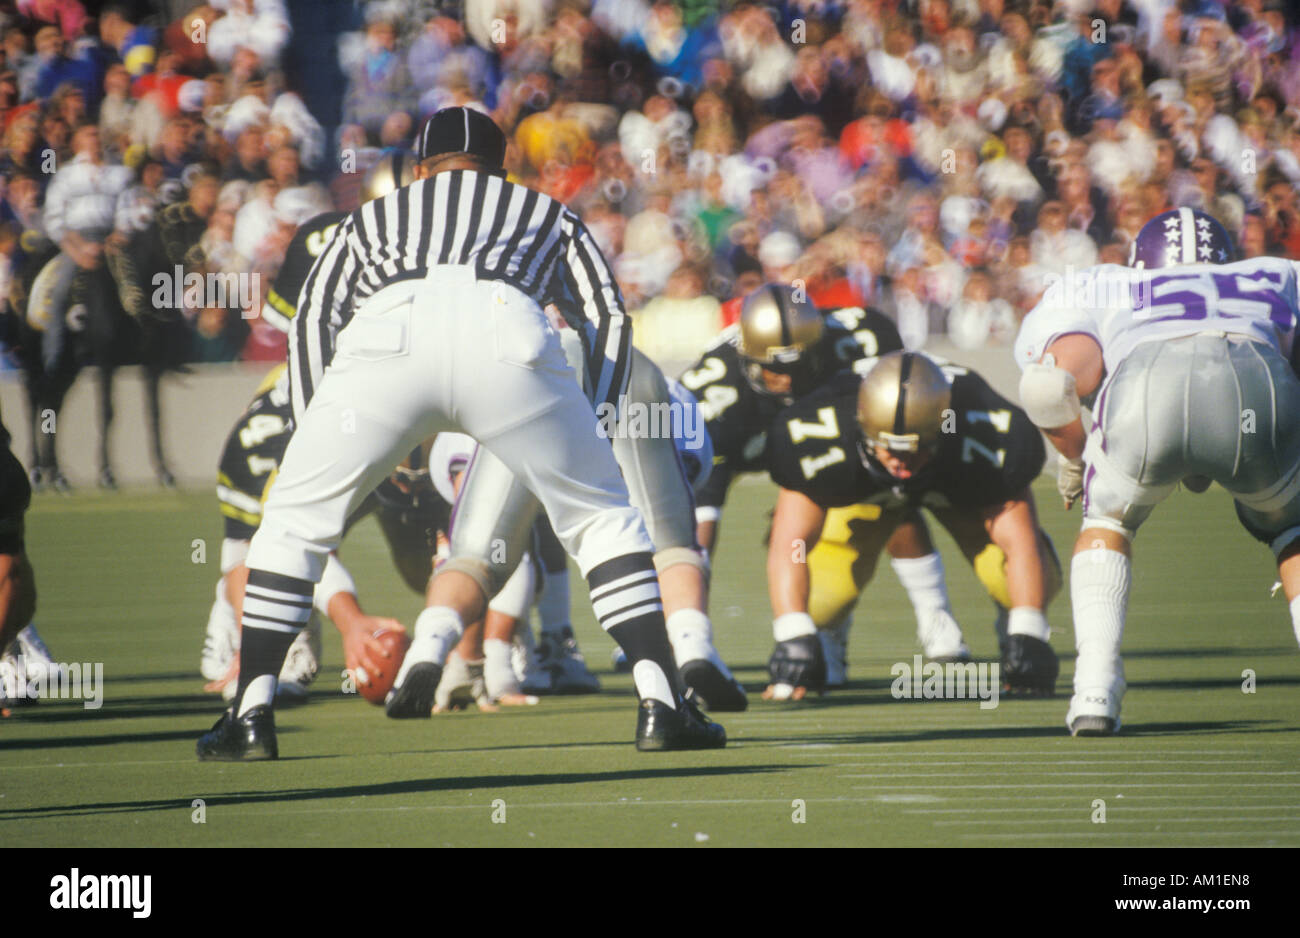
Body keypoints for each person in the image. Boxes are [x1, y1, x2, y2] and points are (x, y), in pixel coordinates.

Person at [197, 106, 724, 760]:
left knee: (291, 525)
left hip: (386, 340)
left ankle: (251, 717)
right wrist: (597, 417)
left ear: (421, 170)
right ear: (499, 170)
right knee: (601, 519)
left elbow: (314, 322)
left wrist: (318, 426)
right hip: (507, 335)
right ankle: (662, 704)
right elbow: (606, 315)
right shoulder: (539, 210)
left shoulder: (370, 218)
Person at [1015, 207, 1300, 736]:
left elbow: (1046, 387)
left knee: (1109, 523)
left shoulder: (1105, 285)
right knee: (1292, 528)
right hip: (1254, 377)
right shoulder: (1280, 274)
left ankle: (1095, 690)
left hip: (1147, 390)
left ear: (1138, 260)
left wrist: (1074, 457)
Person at [681, 284, 978, 693]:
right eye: (772, 368)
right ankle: (684, 632)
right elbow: (696, 514)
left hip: (836, 433)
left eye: (796, 366)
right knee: (693, 525)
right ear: (744, 354)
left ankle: (935, 615)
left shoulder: (864, 338)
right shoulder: (715, 394)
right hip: (748, 436)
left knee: (893, 490)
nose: (785, 379)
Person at [761, 351, 1062, 700]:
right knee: (817, 604)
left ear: (942, 425)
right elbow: (792, 542)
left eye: (915, 450)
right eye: (889, 450)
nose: (901, 465)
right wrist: (794, 633)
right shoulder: (820, 429)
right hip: (864, 494)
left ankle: (1009, 621)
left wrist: (1029, 630)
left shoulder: (987, 432)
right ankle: (830, 632)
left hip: (955, 485)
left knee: (1013, 578)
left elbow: (1020, 542)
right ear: (862, 423)